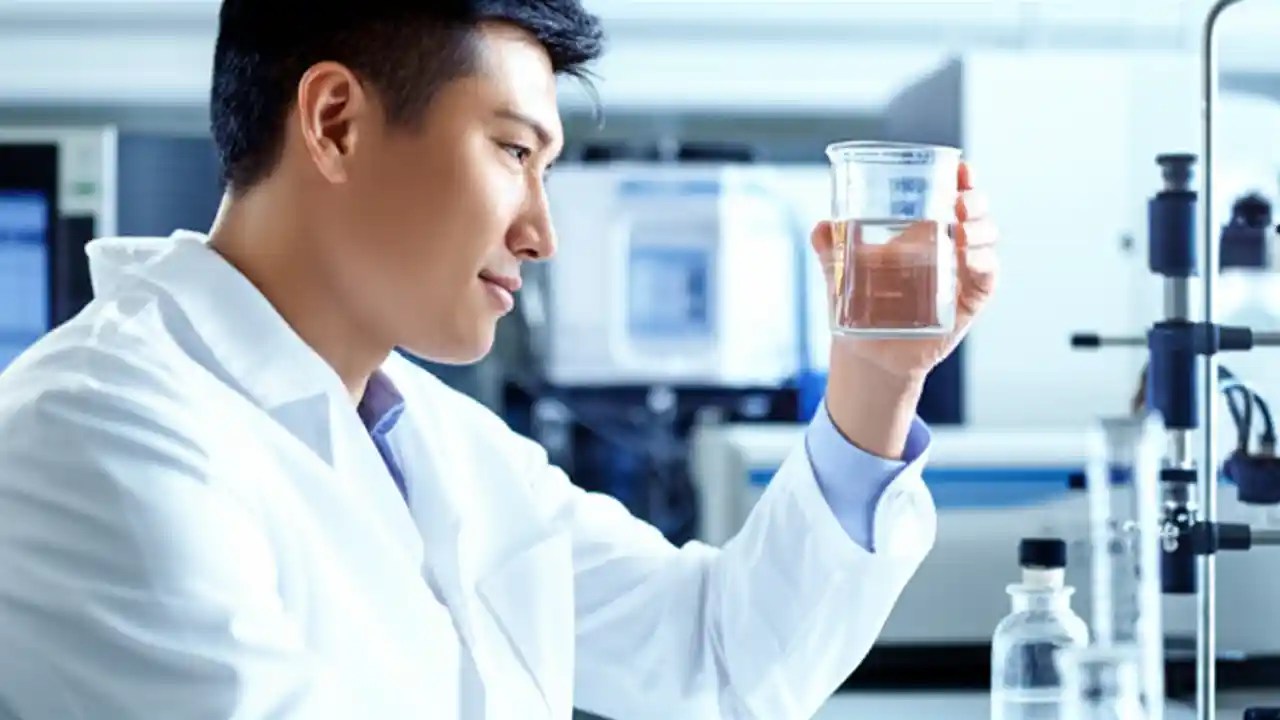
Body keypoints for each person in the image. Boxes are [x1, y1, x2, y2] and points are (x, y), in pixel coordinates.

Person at [0, 2, 999, 719]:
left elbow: (717, 663)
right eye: (514, 153)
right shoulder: (93, 431)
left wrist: (875, 375)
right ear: (336, 123)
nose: (540, 233)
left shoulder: (439, 440)